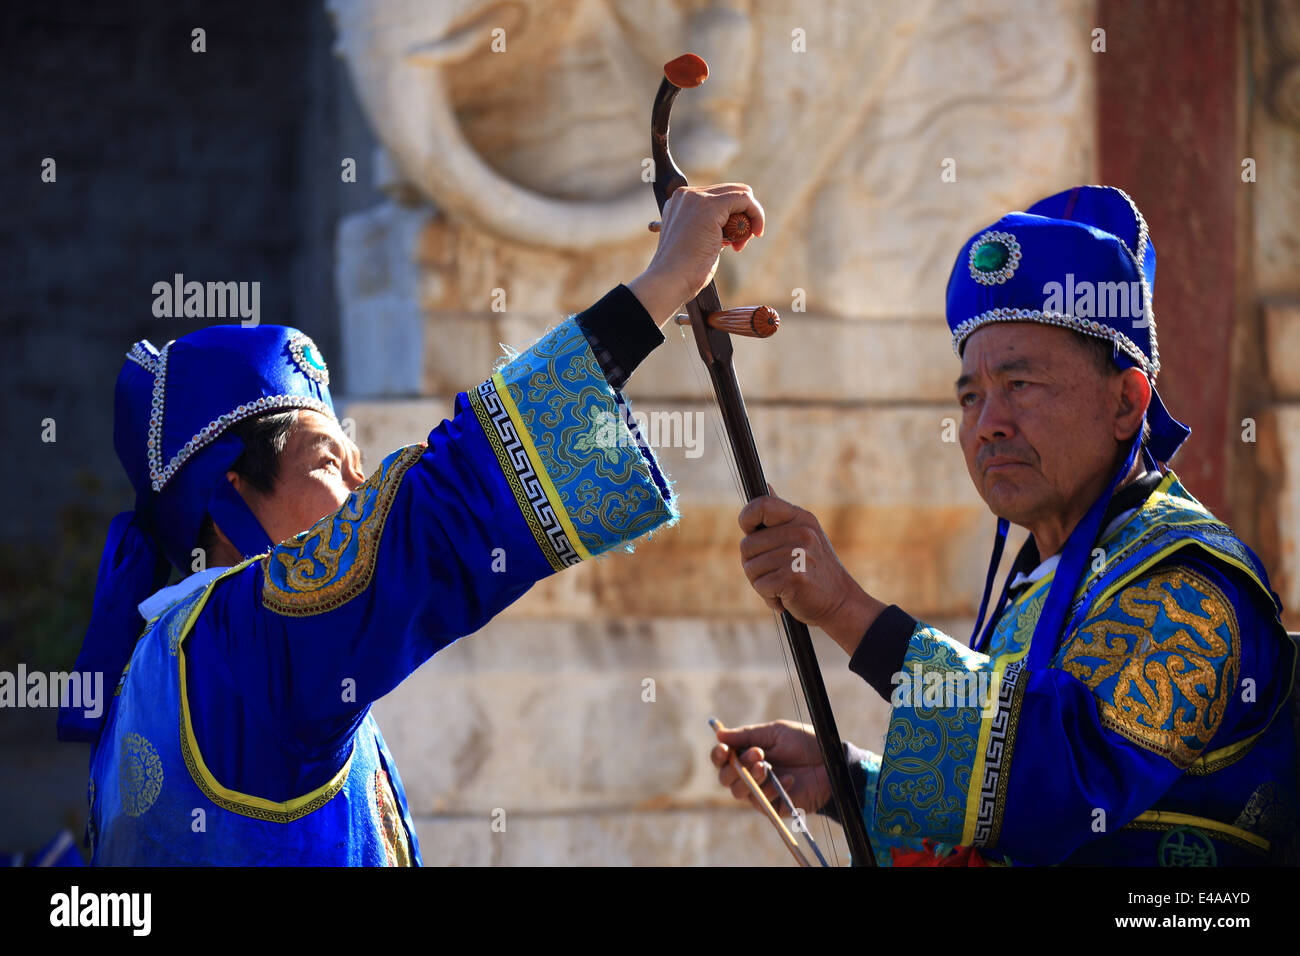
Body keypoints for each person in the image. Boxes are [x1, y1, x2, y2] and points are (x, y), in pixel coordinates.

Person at [60, 184, 765, 865]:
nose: (361, 484)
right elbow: (438, 510)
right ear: (230, 494)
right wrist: (666, 281)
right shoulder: (239, 645)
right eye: (330, 461)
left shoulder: (164, 665)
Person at [711, 185, 1299, 866]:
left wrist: (845, 607)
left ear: (1126, 402)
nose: (987, 423)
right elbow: (996, 825)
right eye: (970, 395)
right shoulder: (1036, 584)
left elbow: (1064, 785)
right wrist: (843, 782)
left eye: (1019, 385)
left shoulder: (1190, 583)